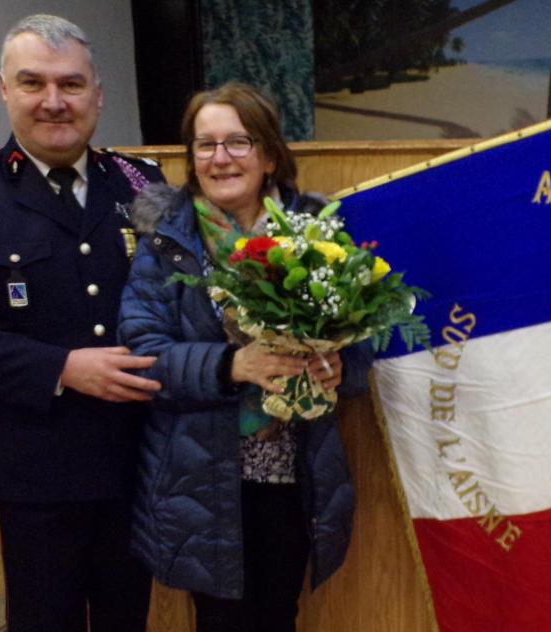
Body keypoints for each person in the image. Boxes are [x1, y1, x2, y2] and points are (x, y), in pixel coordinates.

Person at [0, 14, 164, 632]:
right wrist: (61, 368)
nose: (54, 102)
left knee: (127, 617)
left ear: (97, 94)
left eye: (71, 84)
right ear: (5, 90)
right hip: (39, 469)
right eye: (33, 83)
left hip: (139, 460)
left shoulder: (143, 184)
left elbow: (178, 301)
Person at [117, 82, 372, 632]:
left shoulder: (317, 232)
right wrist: (231, 366)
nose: (220, 158)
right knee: (221, 620)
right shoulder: (165, 241)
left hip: (293, 472)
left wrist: (339, 368)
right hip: (201, 477)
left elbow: (364, 347)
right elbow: (144, 354)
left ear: (270, 153)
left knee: (279, 613)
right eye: (204, 144)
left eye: (238, 141)